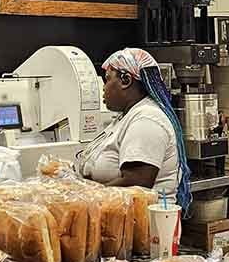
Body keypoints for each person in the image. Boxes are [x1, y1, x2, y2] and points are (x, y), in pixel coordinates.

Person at [75, 48, 191, 211]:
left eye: (107, 80)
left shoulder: (147, 119)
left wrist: (84, 200)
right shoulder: (127, 116)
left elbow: (137, 182)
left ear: (126, 80)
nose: (104, 88)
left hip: (144, 226)